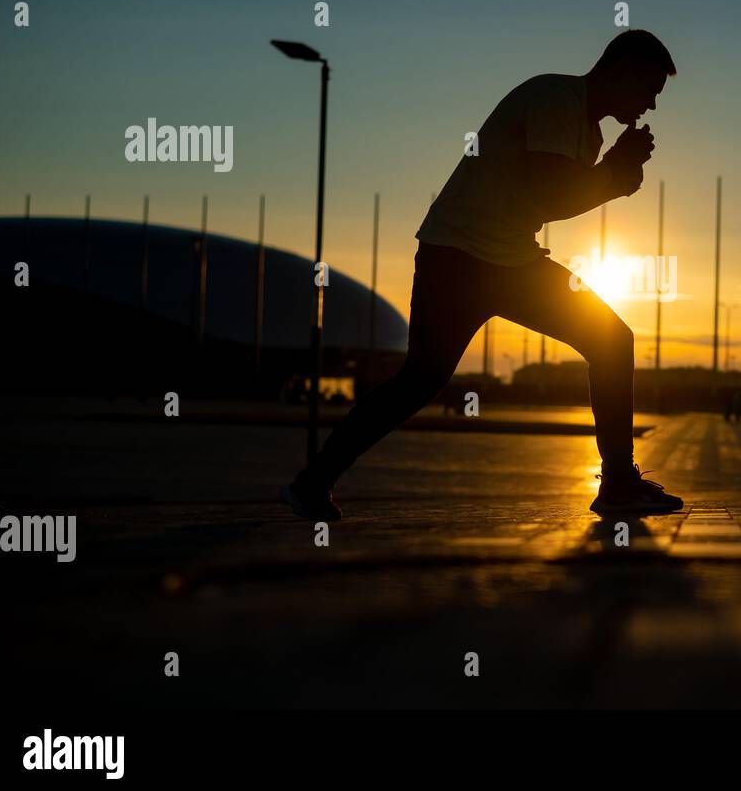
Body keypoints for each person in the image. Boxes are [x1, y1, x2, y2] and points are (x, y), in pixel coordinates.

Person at [282, 30, 683, 521]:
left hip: (510, 260)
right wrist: (615, 174)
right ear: (621, 71)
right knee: (420, 380)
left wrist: (614, 178)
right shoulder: (554, 98)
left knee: (611, 340)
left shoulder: (588, 131)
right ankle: (312, 482)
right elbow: (552, 194)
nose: (651, 106)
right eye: (649, 91)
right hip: (457, 258)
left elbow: (557, 200)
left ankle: (619, 482)